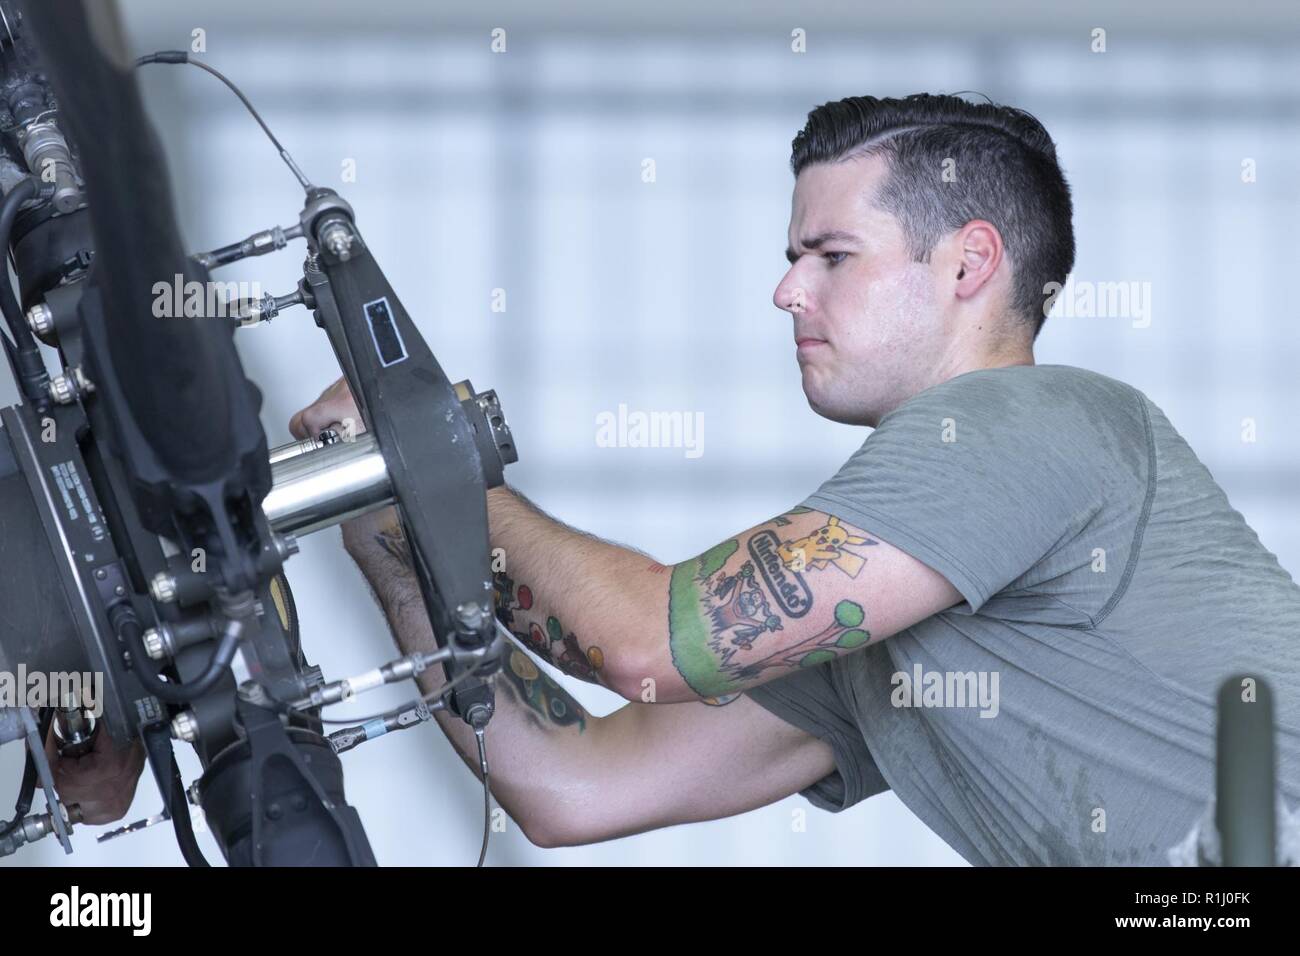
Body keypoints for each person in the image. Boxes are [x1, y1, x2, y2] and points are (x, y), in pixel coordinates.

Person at [61, 93, 1300, 865]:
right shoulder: (884, 628)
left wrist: (434, 467)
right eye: (787, 255)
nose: (784, 291)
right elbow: (572, 785)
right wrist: (387, 523)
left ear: (967, 263)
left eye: (830, 254)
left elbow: (646, 638)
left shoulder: (1033, 423)